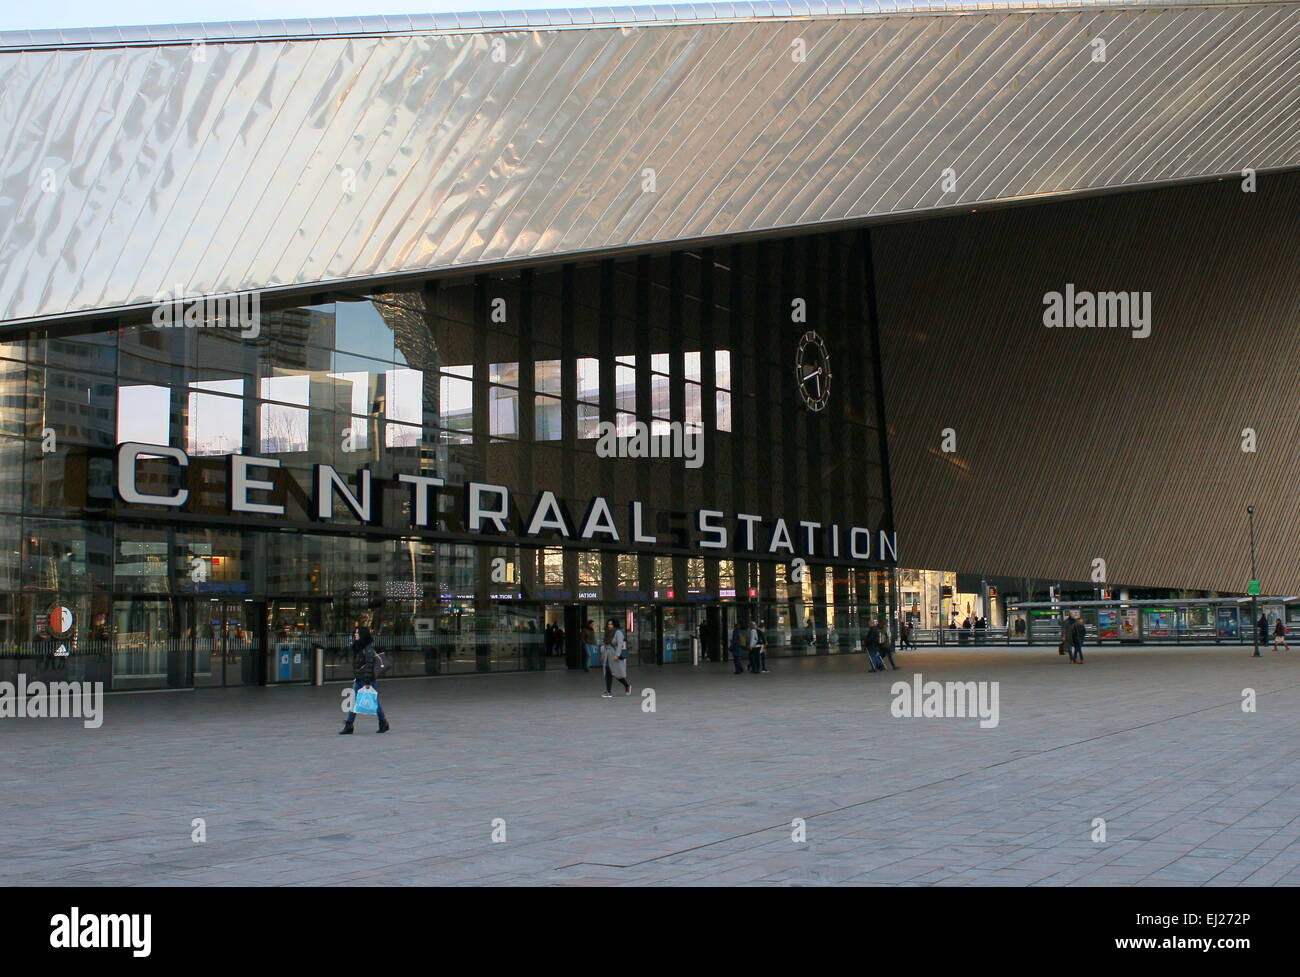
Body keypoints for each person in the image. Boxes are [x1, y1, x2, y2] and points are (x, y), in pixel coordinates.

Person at [340, 625, 389, 734]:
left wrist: (367, 682)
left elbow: (369, 665)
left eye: (357, 633)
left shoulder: (368, 649)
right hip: (359, 678)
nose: (355, 634)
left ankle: (383, 722)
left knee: (373, 701)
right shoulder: (359, 646)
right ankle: (349, 725)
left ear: (362, 634)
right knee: (354, 701)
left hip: (367, 680)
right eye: (355, 632)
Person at [601, 619, 630, 697]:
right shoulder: (607, 633)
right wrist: (603, 655)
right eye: (609, 624)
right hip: (607, 655)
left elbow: (620, 644)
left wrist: (617, 655)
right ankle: (608, 691)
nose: (609, 626)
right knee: (608, 673)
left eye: (611, 624)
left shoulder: (618, 632)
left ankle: (627, 685)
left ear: (615, 625)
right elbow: (605, 645)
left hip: (614, 656)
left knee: (616, 673)